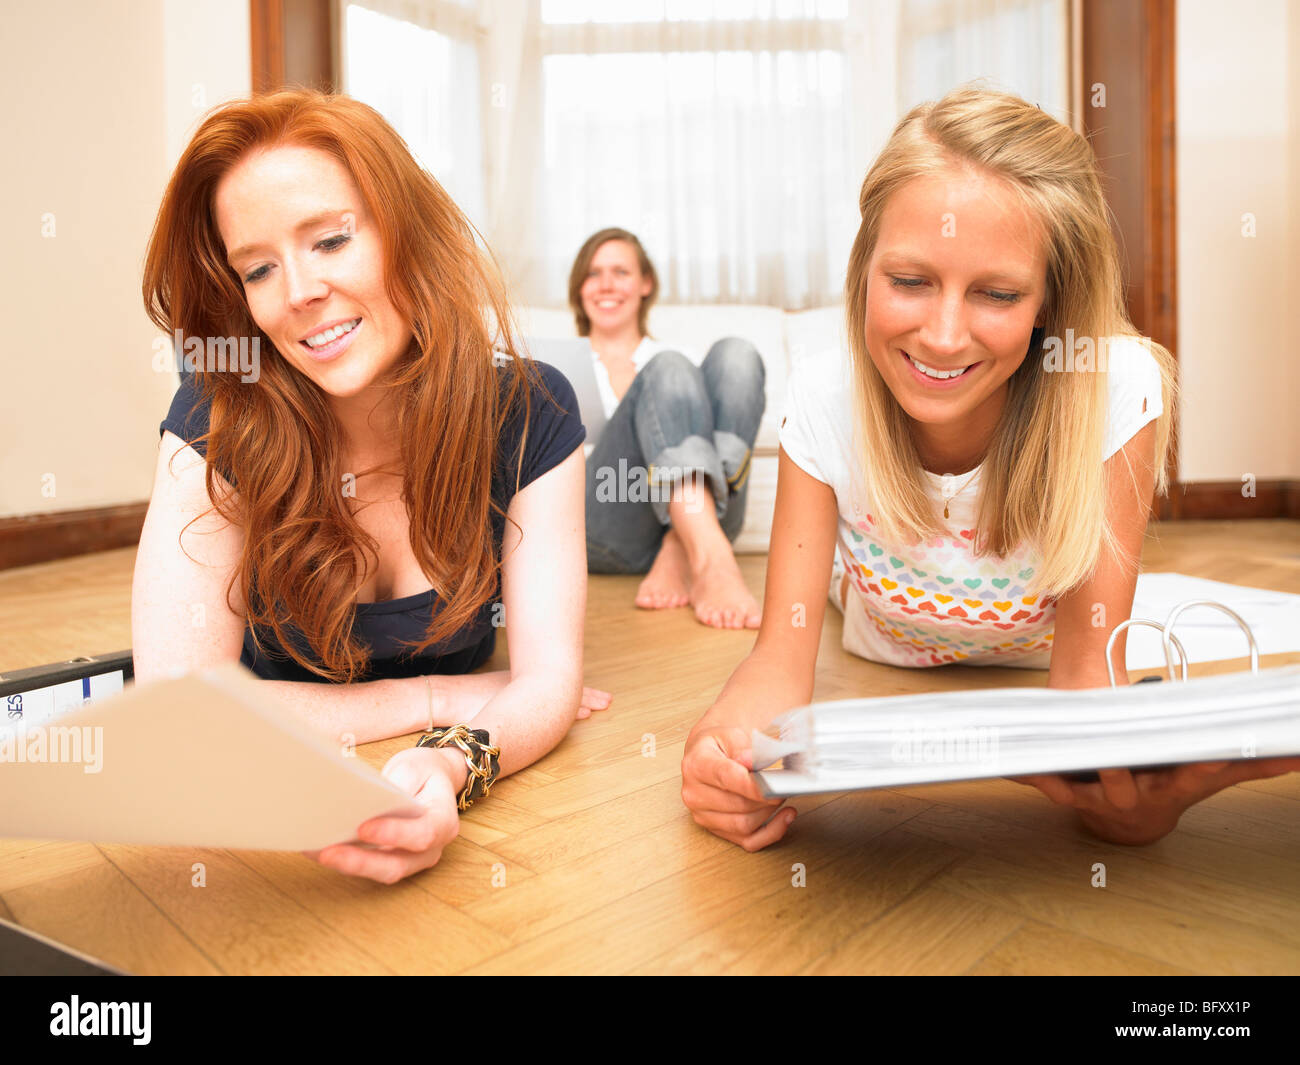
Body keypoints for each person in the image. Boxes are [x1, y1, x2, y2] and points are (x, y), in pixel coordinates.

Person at [681, 86, 1299, 850]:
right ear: (863, 270)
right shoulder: (824, 392)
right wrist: (721, 757)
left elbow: (1084, 674)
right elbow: (778, 659)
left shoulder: (1115, 385)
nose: (942, 336)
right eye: (909, 281)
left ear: (1051, 301)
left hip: (1038, 643)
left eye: (998, 293)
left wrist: (1129, 807)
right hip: (883, 634)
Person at [134, 89, 610, 885]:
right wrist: (438, 695)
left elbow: (549, 680)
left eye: (329, 240)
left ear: (406, 233)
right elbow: (182, 708)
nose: (297, 293)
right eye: (258, 268)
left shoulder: (532, 410)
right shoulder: (218, 413)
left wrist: (454, 765)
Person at [573, 228, 768, 629]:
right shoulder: (554, 370)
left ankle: (684, 544)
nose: (606, 284)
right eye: (594, 274)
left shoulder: (681, 364)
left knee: (738, 355)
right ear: (579, 288)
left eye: (621, 272)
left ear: (646, 283)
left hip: (708, 513)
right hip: (606, 521)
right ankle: (704, 556)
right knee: (668, 366)